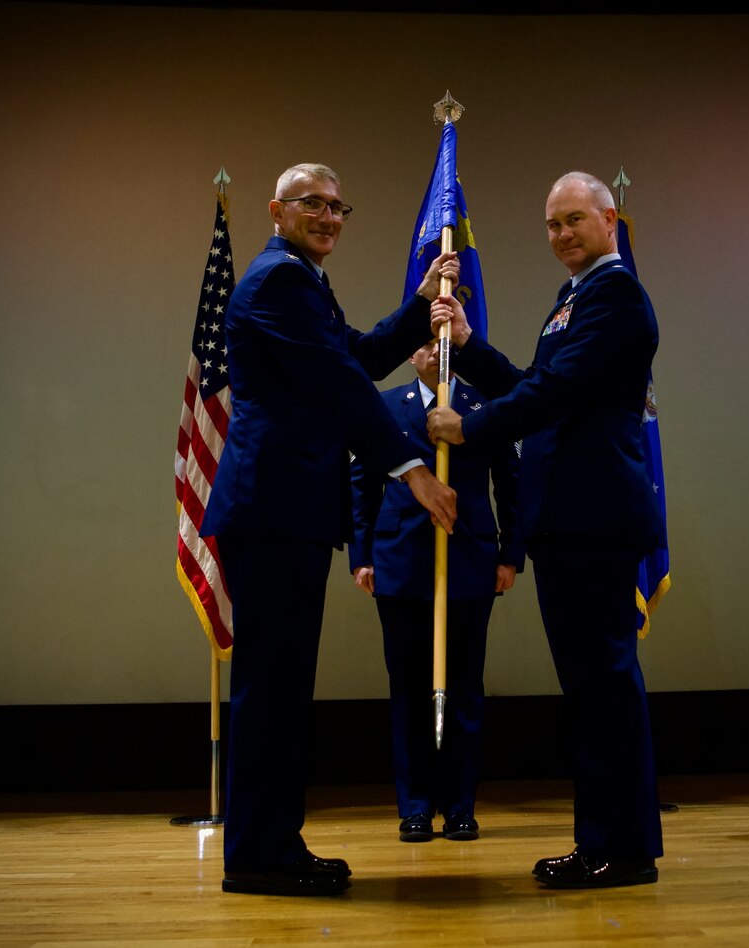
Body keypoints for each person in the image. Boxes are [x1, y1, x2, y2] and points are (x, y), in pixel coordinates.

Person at [200, 163, 459, 896]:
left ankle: (273, 844)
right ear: (277, 209)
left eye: (338, 206)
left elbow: (355, 357)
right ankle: (257, 854)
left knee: (281, 691)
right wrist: (411, 469)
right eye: (312, 203)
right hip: (274, 508)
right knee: (270, 691)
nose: (328, 216)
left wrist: (420, 307)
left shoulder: (302, 282)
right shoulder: (278, 280)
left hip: (287, 511)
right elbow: (343, 385)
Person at [427, 171, 664, 889]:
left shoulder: (616, 294)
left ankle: (620, 848)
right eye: (552, 224)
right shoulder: (573, 298)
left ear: (609, 218)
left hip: (595, 512)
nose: (561, 234)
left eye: (573, 220)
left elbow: (556, 392)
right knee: (589, 692)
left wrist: (468, 427)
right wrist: (467, 347)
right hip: (565, 514)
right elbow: (538, 381)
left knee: (604, 687)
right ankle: (602, 839)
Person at [349, 339, 523, 844]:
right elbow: (362, 482)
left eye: (441, 339)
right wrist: (362, 556)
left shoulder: (482, 409)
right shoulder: (384, 406)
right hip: (399, 561)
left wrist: (510, 554)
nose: (433, 348)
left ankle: (461, 805)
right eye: (423, 340)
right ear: (410, 353)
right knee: (407, 688)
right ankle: (416, 806)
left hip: (469, 561)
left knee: (466, 686)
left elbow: (511, 481)